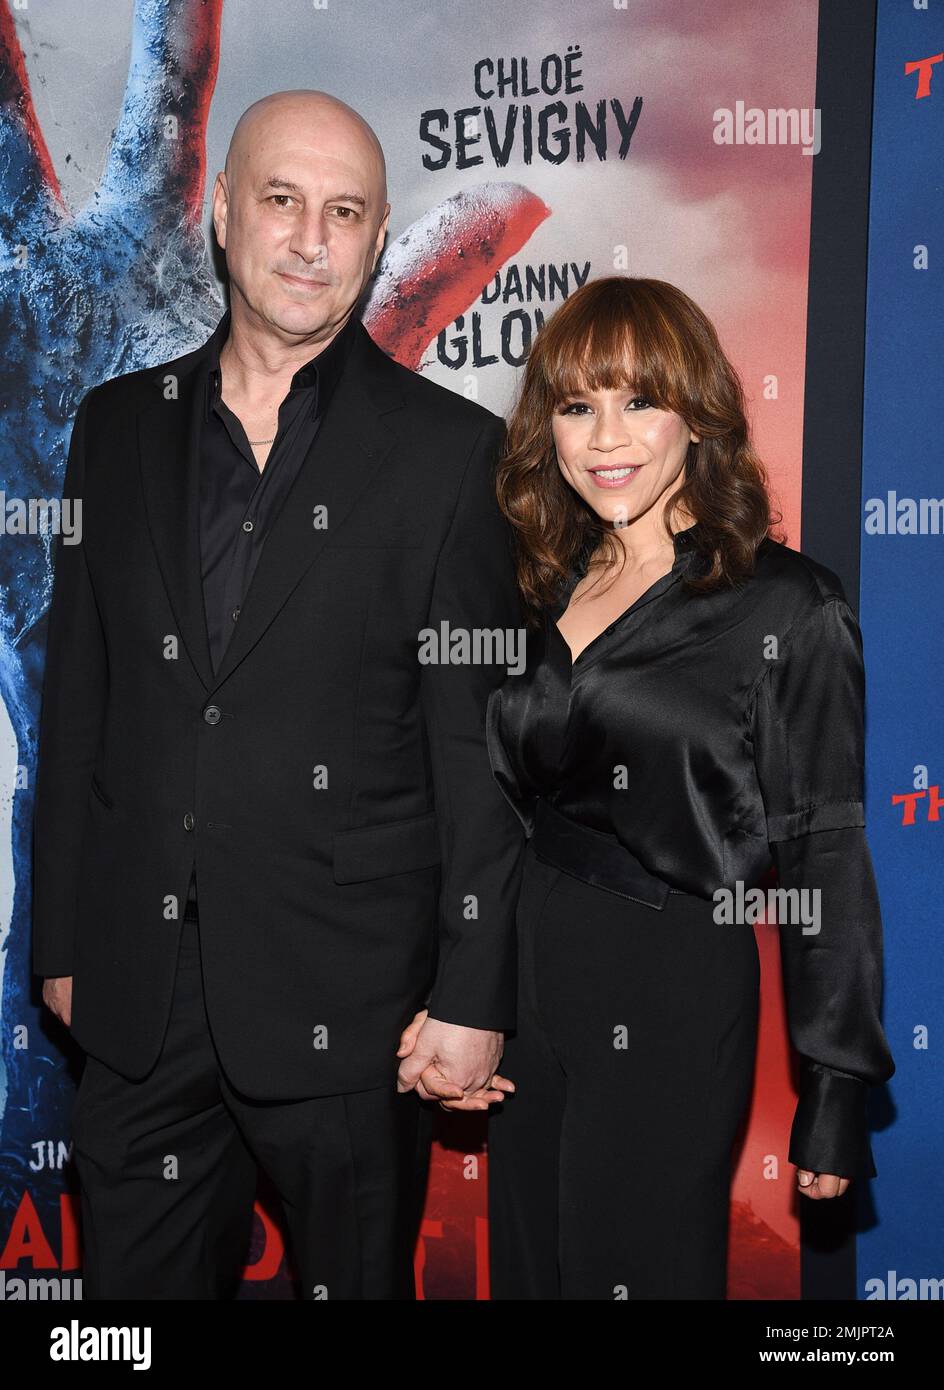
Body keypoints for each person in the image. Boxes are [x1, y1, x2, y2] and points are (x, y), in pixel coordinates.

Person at [32, 89, 525, 1300]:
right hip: (138, 999)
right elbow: (80, 704)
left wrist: (470, 994)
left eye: (345, 212)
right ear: (219, 214)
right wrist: (59, 940)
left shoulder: (449, 456)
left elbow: (476, 753)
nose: (312, 238)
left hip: (351, 1006)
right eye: (283, 200)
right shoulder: (116, 431)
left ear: (377, 234)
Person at [479, 274, 896, 1299]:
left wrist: (834, 1089)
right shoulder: (536, 580)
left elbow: (825, 849)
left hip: (664, 981)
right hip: (526, 986)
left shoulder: (786, 607)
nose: (604, 437)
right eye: (576, 406)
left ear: (697, 415)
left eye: (638, 401)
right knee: (533, 1271)